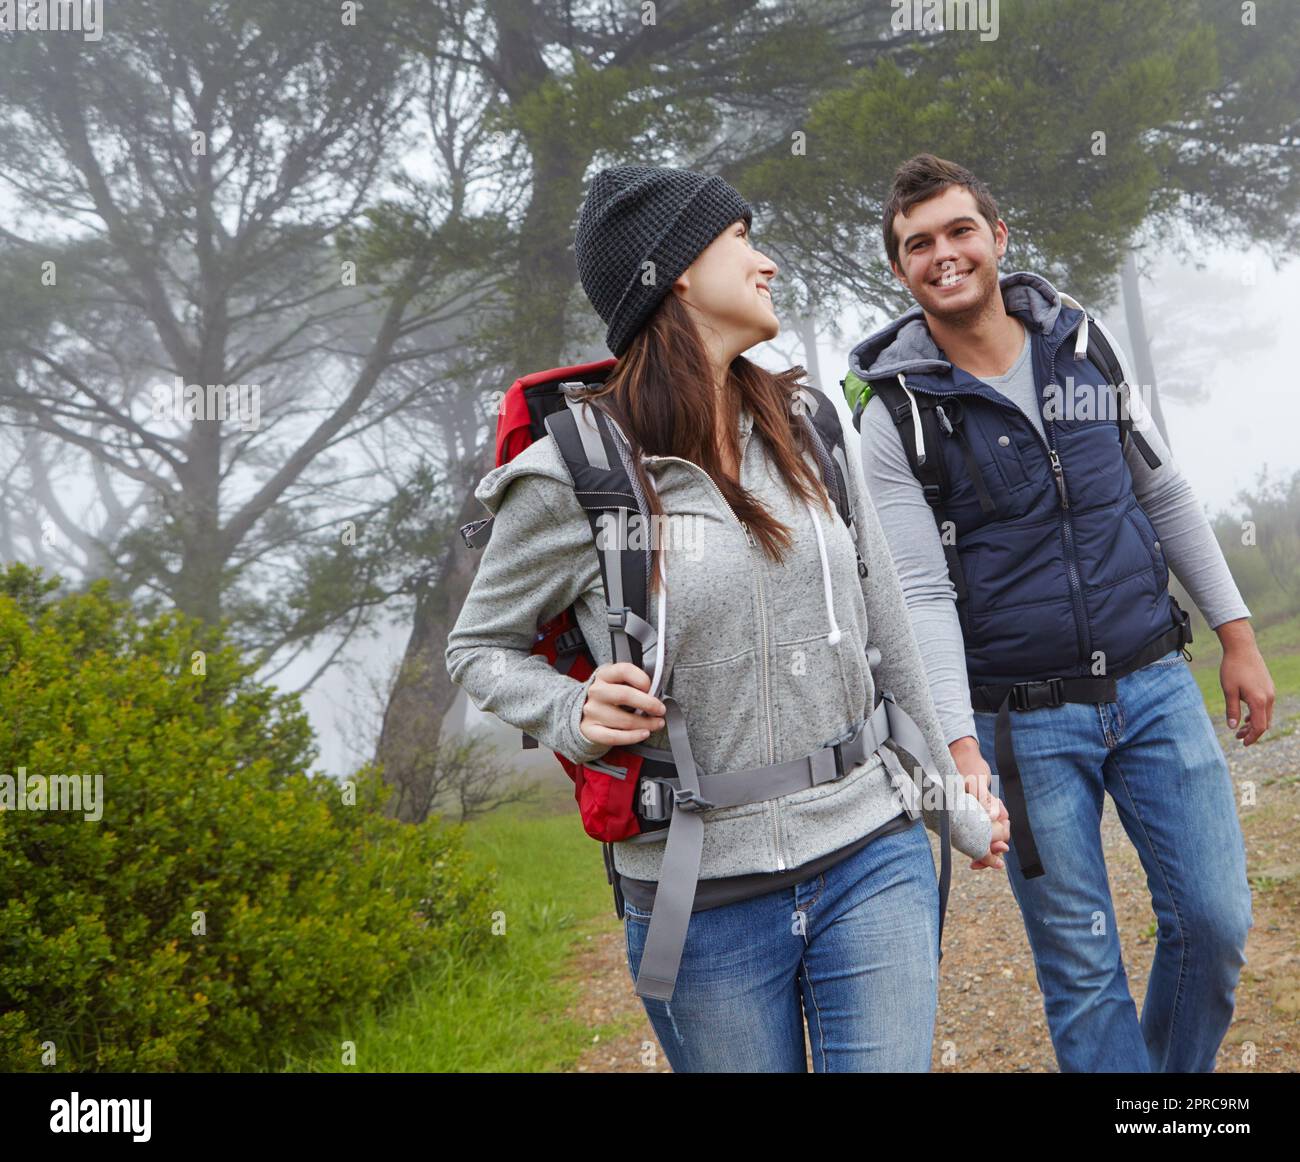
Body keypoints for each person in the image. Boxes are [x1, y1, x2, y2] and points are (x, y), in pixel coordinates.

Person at [445, 163, 1007, 1072]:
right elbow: (479, 648)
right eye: (741, 239)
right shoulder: (572, 475)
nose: (769, 262)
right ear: (673, 271)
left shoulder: (809, 424)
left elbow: (888, 625)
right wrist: (568, 711)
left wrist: (949, 795)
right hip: (699, 900)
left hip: (872, 851)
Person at [852, 153, 1273, 1072]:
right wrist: (959, 752)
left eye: (960, 230)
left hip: (1156, 683)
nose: (944, 254)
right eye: (918, 244)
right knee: (1084, 975)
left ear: (998, 237)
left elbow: (1161, 493)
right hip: (1022, 726)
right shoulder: (897, 416)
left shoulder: (1081, 346)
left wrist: (1236, 635)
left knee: (1215, 920)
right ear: (900, 271)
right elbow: (917, 591)